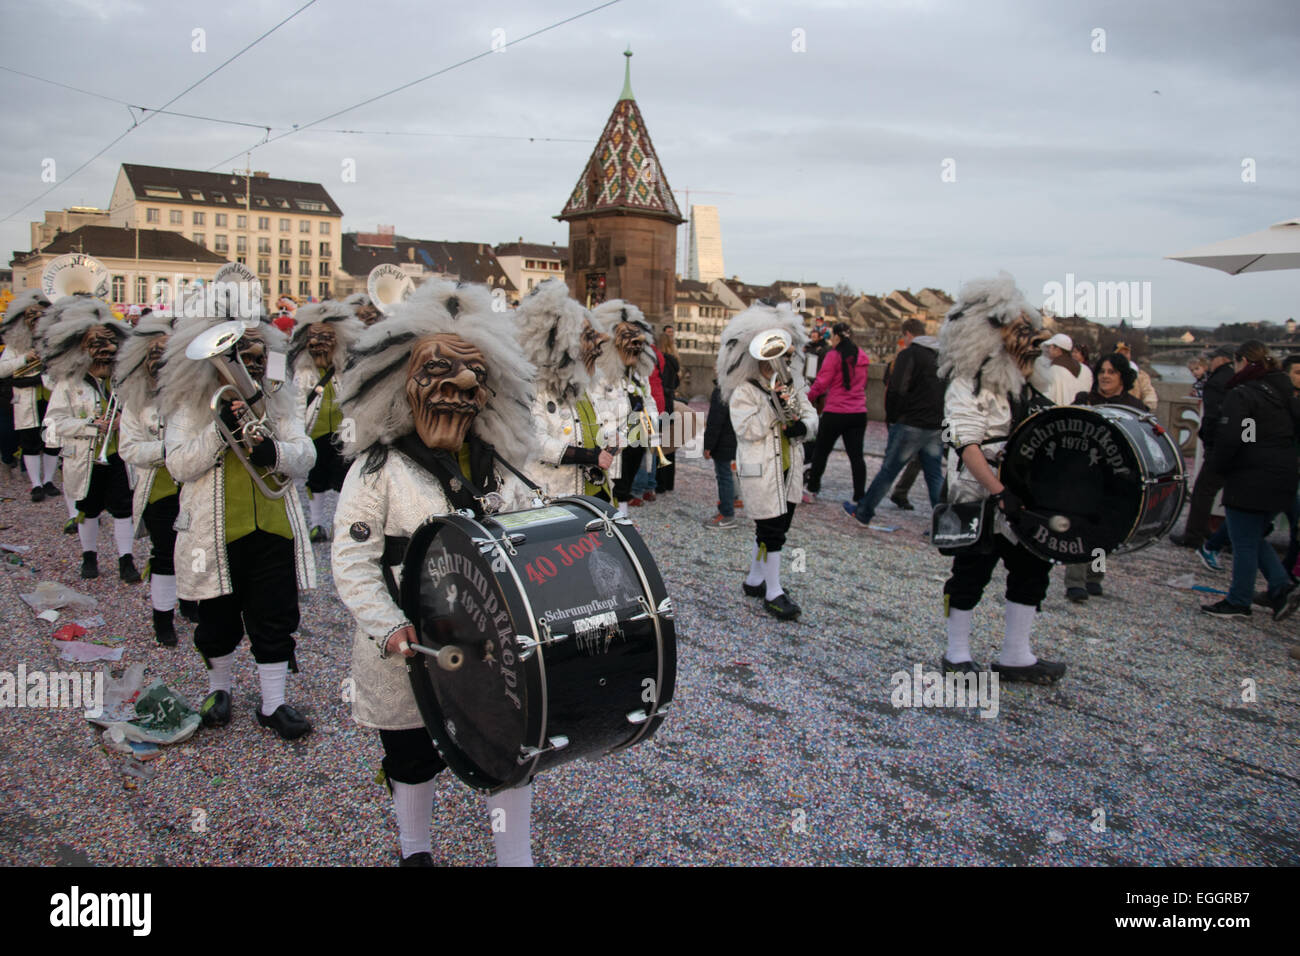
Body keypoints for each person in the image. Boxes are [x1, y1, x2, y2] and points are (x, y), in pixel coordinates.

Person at [331, 279, 538, 866]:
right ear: (400, 382)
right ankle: (414, 851)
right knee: (411, 752)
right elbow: (351, 559)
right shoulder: (375, 468)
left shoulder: (500, 466)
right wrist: (388, 626)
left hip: (489, 644)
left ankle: (514, 857)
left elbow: (525, 541)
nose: (461, 387)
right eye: (438, 372)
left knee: (508, 748)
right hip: (410, 648)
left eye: (474, 376)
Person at [161, 312, 317, 739]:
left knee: (276, 616)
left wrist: (275, 452)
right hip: (213, 533)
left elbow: (306, 455)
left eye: (253, 356)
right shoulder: (187, 404)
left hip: (273, 526)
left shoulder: (282, 397)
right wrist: (218, 432)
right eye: (234, 357)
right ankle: (219, 691)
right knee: (217, 618)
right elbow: (177, 464)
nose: (246, 365)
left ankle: (273, 703)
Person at [936, 274, 1065, 683]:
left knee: (1032, 569)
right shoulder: (967, 384)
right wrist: (998, 491)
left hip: (1022, 496)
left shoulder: (1026, 385)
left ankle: (1016, 655)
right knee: (971, 571)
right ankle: (956, 653)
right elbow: (965, 441)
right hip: (980, 495)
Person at [718, 301, 818, 621]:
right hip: (760, 469)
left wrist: (803, 426)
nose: (785, 363)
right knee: (772, 530)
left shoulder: (793, 384)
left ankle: (754, 579)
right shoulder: (744, 391)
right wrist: (774, 405)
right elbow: (748, 430)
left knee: (777, 526)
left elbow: (810, 416)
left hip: (789, 467)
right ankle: (774, 591)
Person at [38, 298, 139, 582]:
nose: (106, 350)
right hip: (85, 458)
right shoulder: (69, 383)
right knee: (88, 509)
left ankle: (126, 559)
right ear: (81, 348)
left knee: (123, 510)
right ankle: (89, 556)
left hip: (120, 455)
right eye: (97, 344)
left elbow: (142, 415)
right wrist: (89, 425)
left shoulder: (122, 380)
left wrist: (125, 422)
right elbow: (50, 428)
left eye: (110, 343)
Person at [1200, 340, 1300, 621]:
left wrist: (1219, 466)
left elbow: (1237, 438)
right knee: (1251, 536)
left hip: (1251, 477)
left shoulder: (1243, 394)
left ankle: (1239, 600)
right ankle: (1281, 588)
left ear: (1243, 361)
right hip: (1284, 475)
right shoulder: (1281, 392)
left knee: (1243, 540)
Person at [114, 315, 183, 644]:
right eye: (154, 352)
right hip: (159, 488)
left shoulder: (190, 393)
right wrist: (169, 450)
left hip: (195, 485)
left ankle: (191, 601)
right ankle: (162, 618)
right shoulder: (135, 400)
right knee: (166, 554)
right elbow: (128, 448)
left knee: (195, 549)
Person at [515, 277, 615, 499]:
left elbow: (603, 423)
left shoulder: (586, 385)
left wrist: (614, 439)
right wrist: (590, 456)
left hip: (592, 489)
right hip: (553, 496)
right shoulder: (532, 388)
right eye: (586, 336)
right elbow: (535, 441)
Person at [1062, 352, 1148, 602]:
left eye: (1111, 372)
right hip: (1085, 474)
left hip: (1116, 478)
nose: (1105, 376)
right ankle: (1075, 581)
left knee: (1105, 529)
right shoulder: (1085, 400)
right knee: (1079, 526)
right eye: (1102, 371)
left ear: (1123, 377)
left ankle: (1095, 576)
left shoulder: (1135, 407)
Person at [845, 319, 944, 526]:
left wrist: (892, 417)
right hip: (934, 425)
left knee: (889, 470)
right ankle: (944, 524)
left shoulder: (909, 355)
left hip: (910, 423)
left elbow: (897, 389)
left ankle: (864, 511)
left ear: (908, 334)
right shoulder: (939, 356)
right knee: (934, 475)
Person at [289, 301, 365, 543]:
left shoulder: (347, 370)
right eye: (314, 337)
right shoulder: (303, 374)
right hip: (315, 433)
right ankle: (316, 523)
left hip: (345, 433)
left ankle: (339, 522)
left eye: (327, 337)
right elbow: (296, 404)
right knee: (316, 479)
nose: (319, 342)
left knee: (345, 479)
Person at [589, 301, 659, 516]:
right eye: (628, 342)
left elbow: (650, 402)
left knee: (624, 490)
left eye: (639, 343)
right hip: (611, 448)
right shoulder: (599, 377)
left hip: (635, 442)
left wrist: (650, 423)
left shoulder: (638, 376)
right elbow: (596, 411)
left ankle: (623, 520)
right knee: (610, 491)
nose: (636, 347)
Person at [0, 290, 62, 502]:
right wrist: (25, 359)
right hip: (26, 398)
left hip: (52, 397)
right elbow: (2, 369)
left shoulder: (53, 341)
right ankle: (36, 483)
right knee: (30, 440)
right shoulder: (15, 344)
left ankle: (49, 480)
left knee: (52, 441)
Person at [1171, 346, 1235, 548]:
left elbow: (1212, 417)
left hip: (1219, 446)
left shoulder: (1216, 382)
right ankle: (1215, 533)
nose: (1211, 362)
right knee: (1232, 494)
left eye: (1213, 358)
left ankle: (1194, 535)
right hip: (1235, 445)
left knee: (1202, 492)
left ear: (1222, 359)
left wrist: (1207, 439)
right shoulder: (1234, 378)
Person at [804, 322, 868, 503]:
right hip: (858, 413)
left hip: (835, 412)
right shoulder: (862, 356)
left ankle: (812, 488)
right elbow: (863, 384)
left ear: (837, 337)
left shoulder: (833, 356)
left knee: (821, 452)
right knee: (857, 457)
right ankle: (859, 496)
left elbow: (822, 383)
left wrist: (807, 399)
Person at [629, 336, 667, 504]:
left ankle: (637, 491)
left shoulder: (641, 356)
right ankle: (650, 487)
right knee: (651, 449)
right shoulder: (658, 354)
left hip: (646, 404)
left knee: (643, 450)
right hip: (658, 404)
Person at [702, 379, 739, 529]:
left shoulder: (723, 390)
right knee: (728, 476)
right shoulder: (739, 387)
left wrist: (708, 445)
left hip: (723, 441)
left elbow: (715, 420)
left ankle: (727, 513)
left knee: (724, 477)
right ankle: (727, 509)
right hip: (734, 439)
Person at [655, 325, 681, 494]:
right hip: (670, 402)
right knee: (669, 445)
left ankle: (660, 483)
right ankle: (668, 481)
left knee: (657, 445)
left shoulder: (660, 361)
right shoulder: (674, 361)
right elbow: (676, 383)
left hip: (660, 402)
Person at [1032, 333, 1090, 406]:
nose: (1048, 349)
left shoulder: (1052, 371)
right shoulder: (1086, 369)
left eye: (1050, 347)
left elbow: (1047, 398)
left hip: (1059, 414)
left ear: (1057, 349)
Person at [1114, 341, 1157, 411]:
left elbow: (1149, 393)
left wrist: (1145, 408)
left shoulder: (1141, 376)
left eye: (1126, 353)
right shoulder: (1107, 374)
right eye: (1120, 354)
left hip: (1132, 412)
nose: (1124, 356)